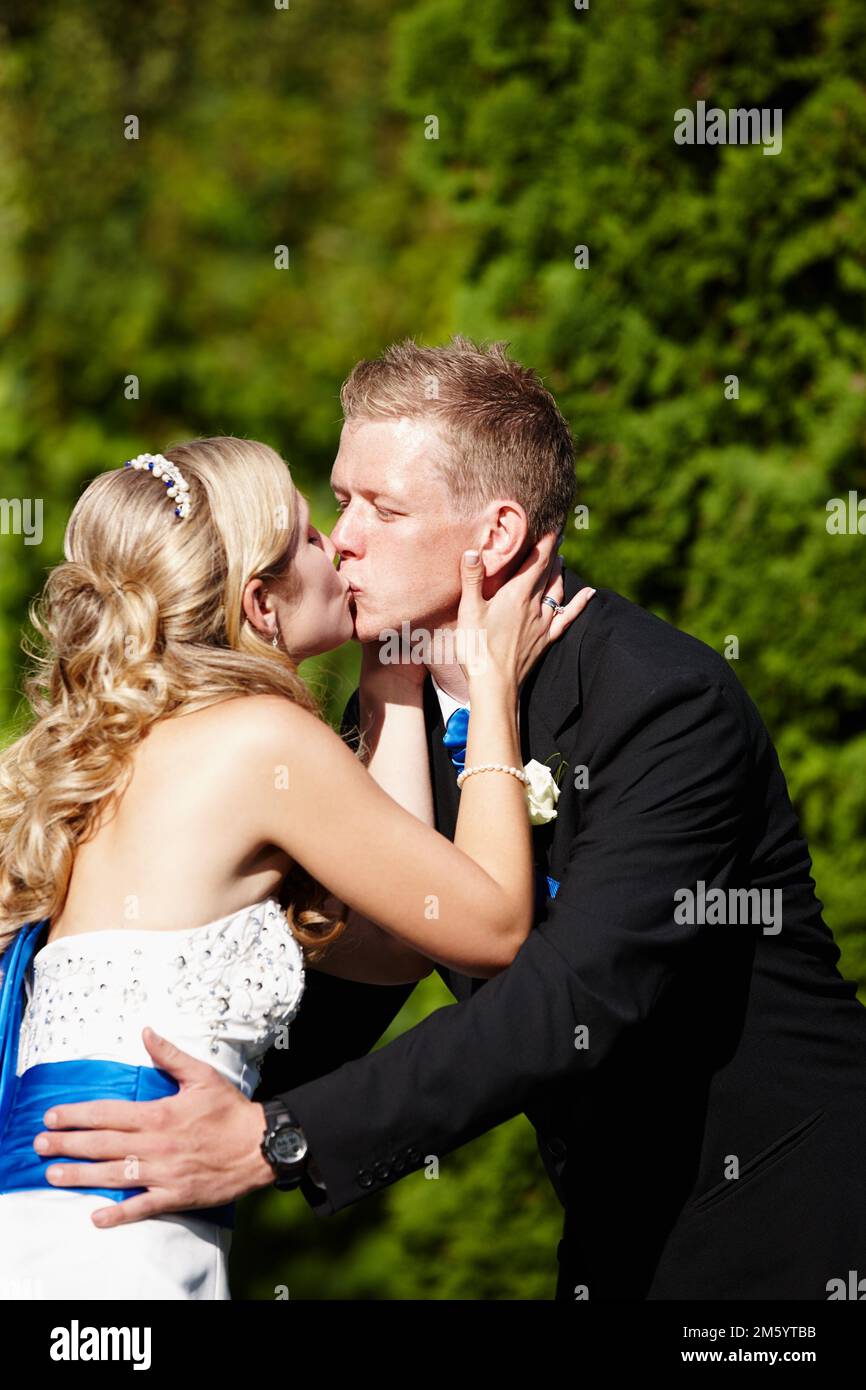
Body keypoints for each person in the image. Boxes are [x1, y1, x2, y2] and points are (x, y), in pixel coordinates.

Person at [23, 338, 866, 1301]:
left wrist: (281, 1140)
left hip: (788, 1239)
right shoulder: (387, 717)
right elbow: (336, 991)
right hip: (606, 1250)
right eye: (339, 502)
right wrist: (164, 1114)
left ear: (496, 536)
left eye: (381, 508)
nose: (343, 539)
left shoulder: (664, 701)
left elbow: (572, 1000)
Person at [0, 433, 594, 1299]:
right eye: (309, 537)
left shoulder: (132, 751)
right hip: (114, 1244)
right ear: (261, 604)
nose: (343, 542)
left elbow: (397, 941)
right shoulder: (261, 742)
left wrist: (386, 666)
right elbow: (495, 928)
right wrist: (492, 690)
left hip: (56, 1224)